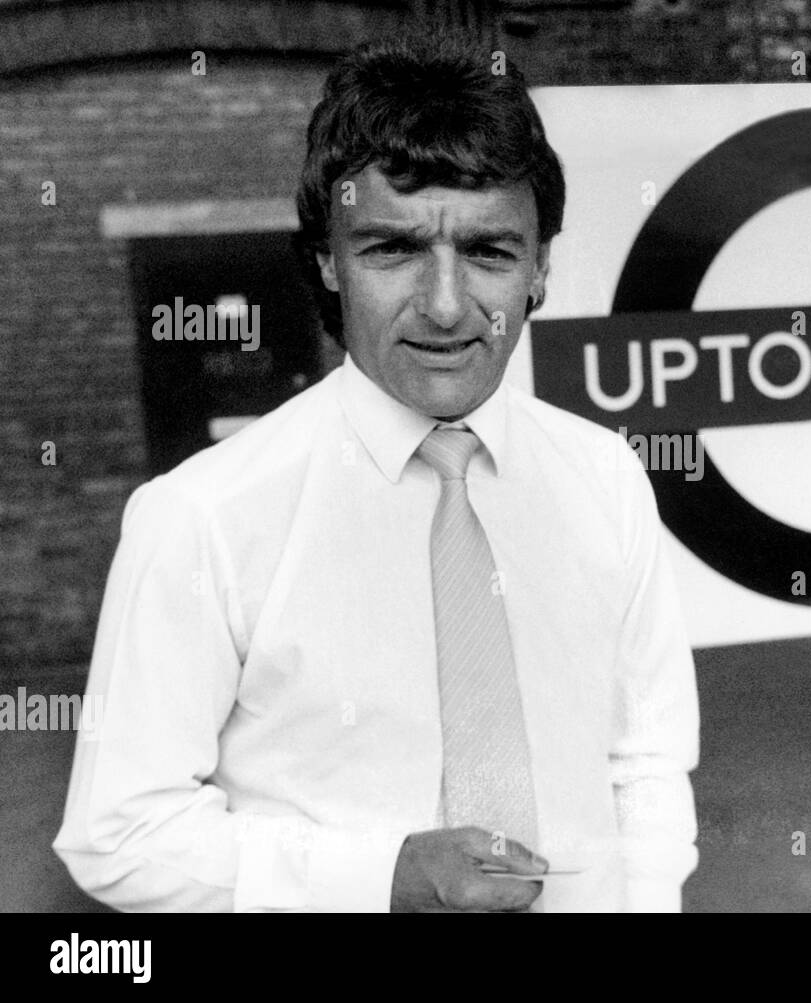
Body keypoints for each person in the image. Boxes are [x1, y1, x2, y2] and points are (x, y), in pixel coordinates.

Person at [53, 34, 700, 913]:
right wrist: (377, 876)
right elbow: (118, 834)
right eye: (394, 250)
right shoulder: (202, 517)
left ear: (543, 266)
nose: (444, 305)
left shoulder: (606, 478)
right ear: (327, 259)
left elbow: (646, 763)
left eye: (491, 253)